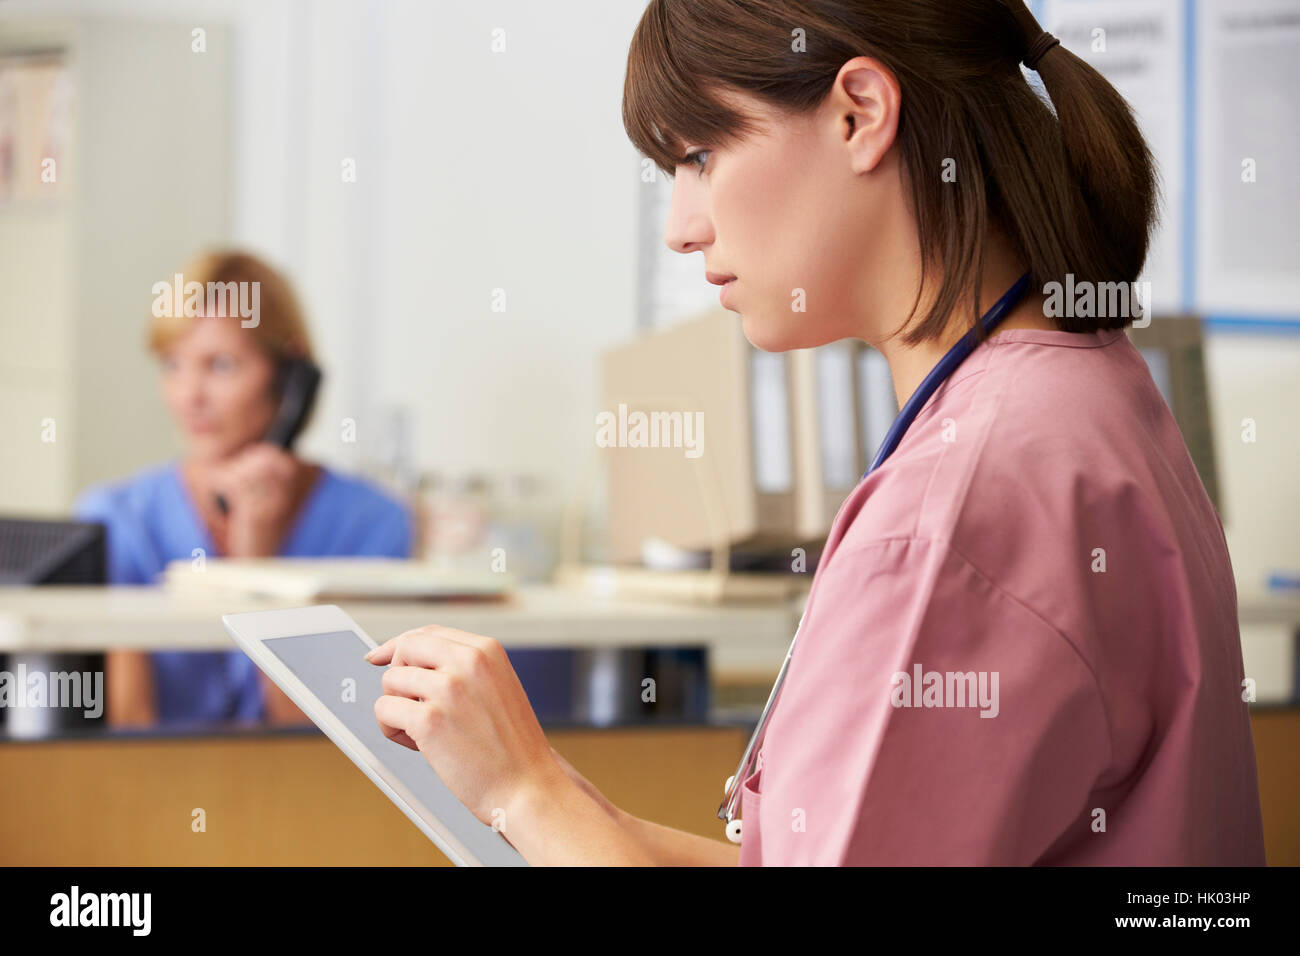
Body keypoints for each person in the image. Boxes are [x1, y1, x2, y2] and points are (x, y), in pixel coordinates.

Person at [362, 0, 1266, 865]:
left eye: (701, 156)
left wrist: (523, 794)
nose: (681, 228)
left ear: (858, 114)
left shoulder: (950, 514)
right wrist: (558, 798)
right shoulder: (1089, 394)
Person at [75, 250, 413, 728]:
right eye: (172, 365)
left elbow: (326, 736)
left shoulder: (373, 521)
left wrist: (258, 566)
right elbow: (127, 731)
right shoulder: (117, 519)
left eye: (220, 365)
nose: (189, 396)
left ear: (291, 375)